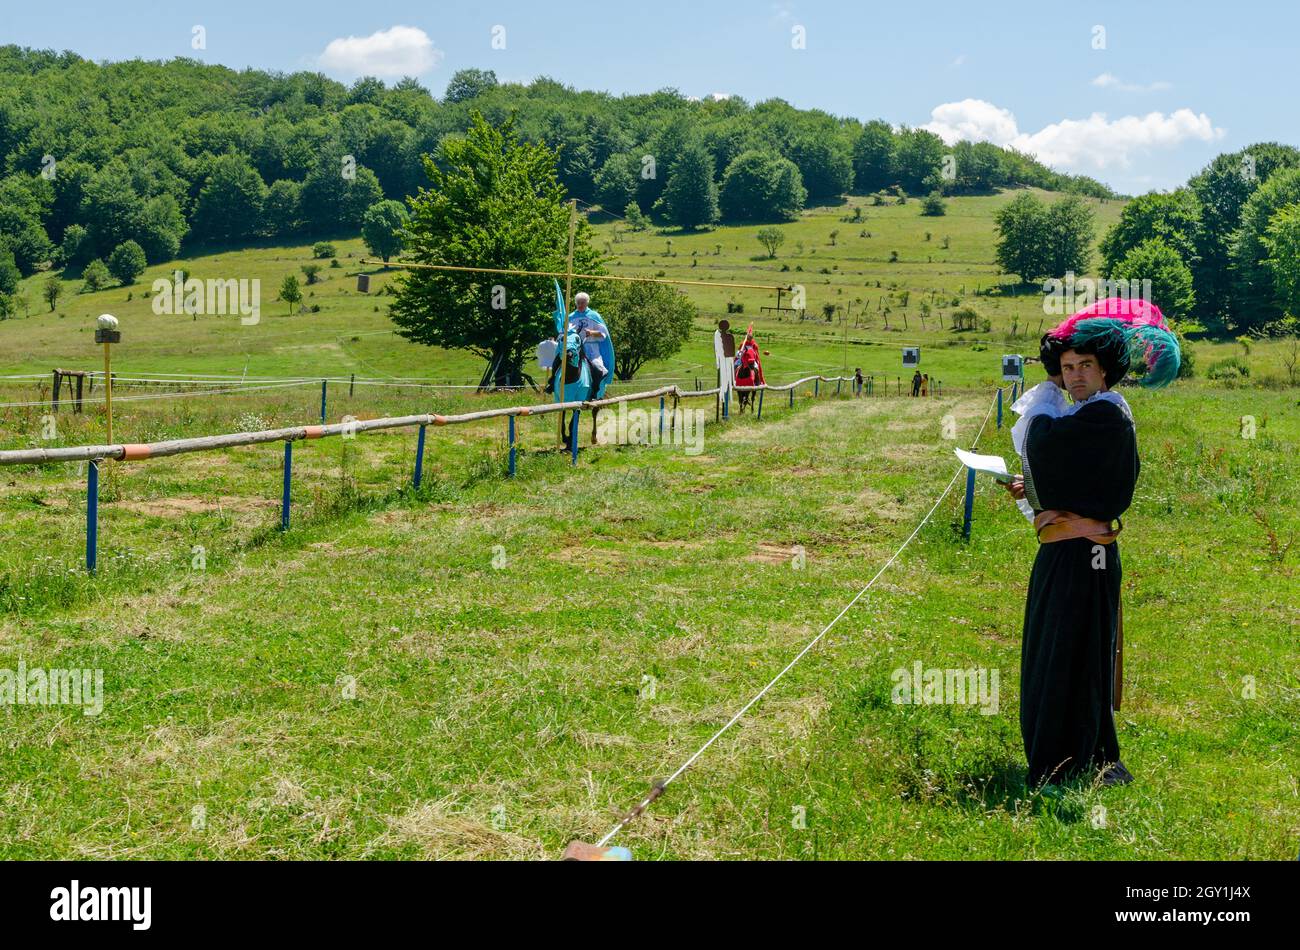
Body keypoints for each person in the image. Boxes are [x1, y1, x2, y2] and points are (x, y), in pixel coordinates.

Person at [1003, 299, 1180, 790]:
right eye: (1066, 367)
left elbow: (1044, 443)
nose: (1075, 375)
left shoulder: (1104, 415)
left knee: (1072, 652)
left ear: (1105, 371)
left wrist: (1043, 403)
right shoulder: (1086, 417)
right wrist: (1033, 487)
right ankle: (1072, 755)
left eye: (1085, 366)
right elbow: (1065, 478)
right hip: (1065, 552)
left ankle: (1066, 762)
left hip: (1086, 556)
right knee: (1058, 649)